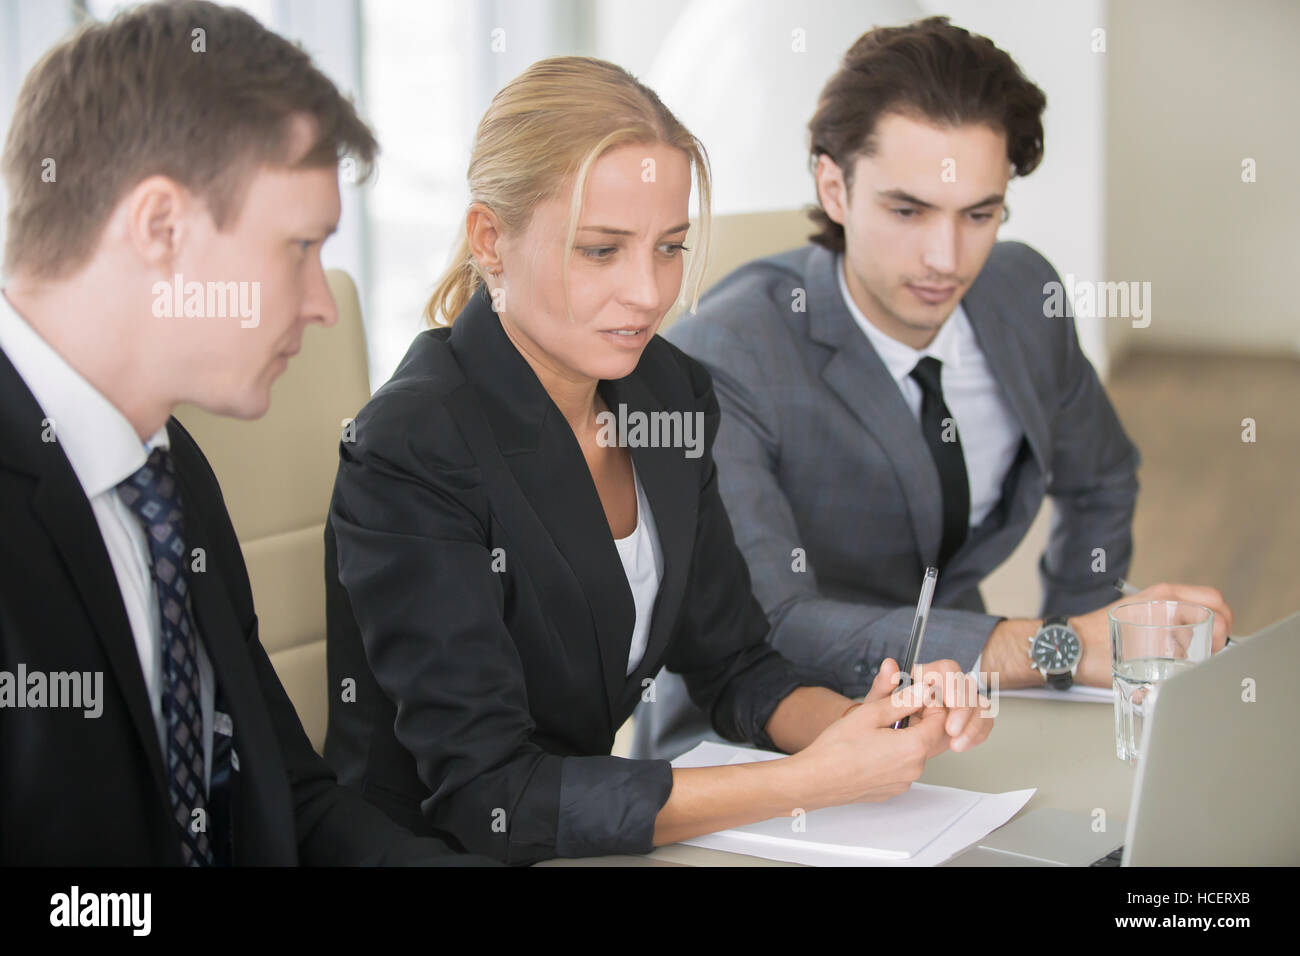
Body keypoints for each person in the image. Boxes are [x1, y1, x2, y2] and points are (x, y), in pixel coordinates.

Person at [323, 55, 993, 866]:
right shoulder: (414, 447)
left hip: (590, 839)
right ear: (490, 239)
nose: (649, 293)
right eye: (602, 251)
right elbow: (490, 796)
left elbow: (735, 665)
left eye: (669, 247)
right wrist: (809, 784)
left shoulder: (663, 391)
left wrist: (866, 725)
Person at [633, 16, 1233, 762]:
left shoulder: (1021, 293)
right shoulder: (726, 352)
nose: (945, 258)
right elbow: (773, 621)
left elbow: (1102, 476)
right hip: (756, 742)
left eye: (979, 214)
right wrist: (1054, 648)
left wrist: (1082, 663)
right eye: (908, 210)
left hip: (961, 711)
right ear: (834, 186)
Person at [0, 0, 492, 865]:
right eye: (299, 246)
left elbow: (282, 798)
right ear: (161, 228)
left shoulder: (164, 468)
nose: (318, 302)